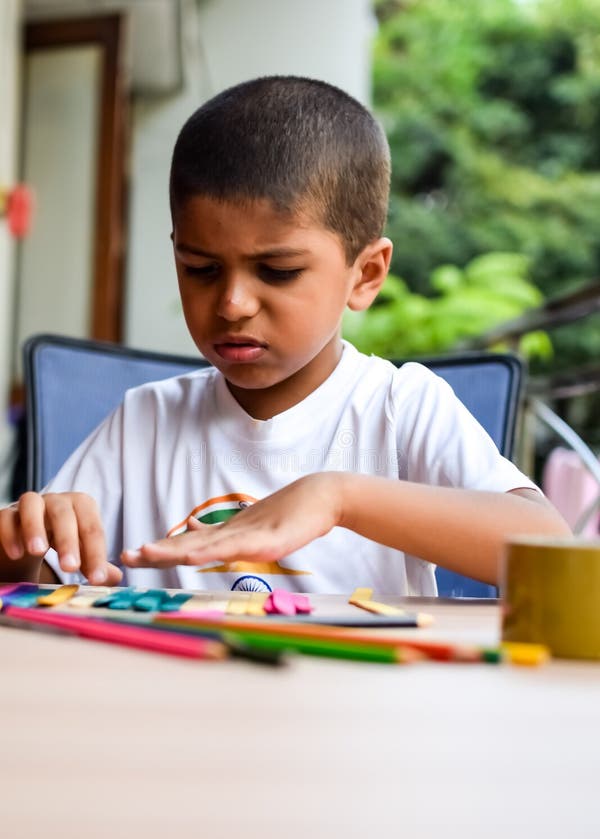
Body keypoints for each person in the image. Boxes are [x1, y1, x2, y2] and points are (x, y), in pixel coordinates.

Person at [0, 76, 570, 595]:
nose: (233, 303)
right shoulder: (144, 422)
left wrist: (338, 497)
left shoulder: (400, 409)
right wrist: (20, 545)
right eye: (200, 268)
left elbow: (551, 548)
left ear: (365, 274)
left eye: (277, 271)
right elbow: (41, 577)